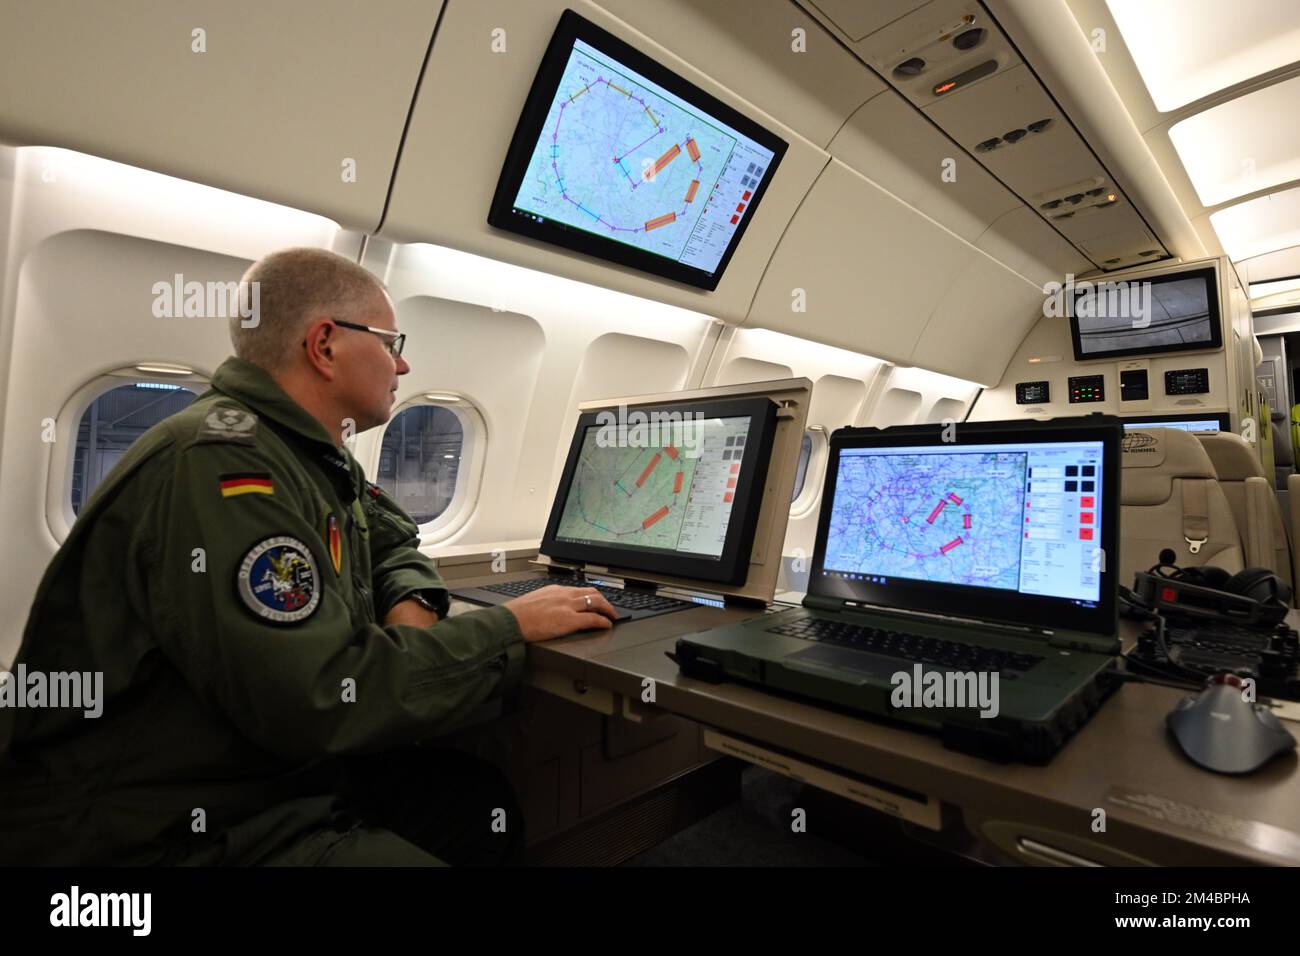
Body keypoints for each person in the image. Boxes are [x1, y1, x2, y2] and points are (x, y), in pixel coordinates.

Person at [0, 247, 616, 865]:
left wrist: (411, 604)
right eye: (390, 341)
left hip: (260, 771)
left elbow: (391, 539)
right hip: (153, 826)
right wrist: (511, 625)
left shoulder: (310, 453)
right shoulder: (222, 465)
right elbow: (323, 696)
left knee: (480, 803)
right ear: (324, 345)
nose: (403, 364)